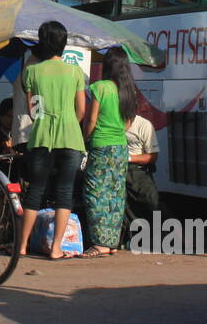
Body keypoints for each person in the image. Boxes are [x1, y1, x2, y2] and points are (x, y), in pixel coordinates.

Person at [17, 21, 86, 260]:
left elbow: (33, 111)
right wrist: (68, 122)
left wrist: (47, 120)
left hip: (42, 136)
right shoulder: (75, 71)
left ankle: (22, 246)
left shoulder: (32, 72)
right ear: (64, 43)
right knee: (65, 192)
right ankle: (56, 248)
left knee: (35, 190)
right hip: (70, 136)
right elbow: (81, 111)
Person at [80, 47, 138, 258]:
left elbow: (91, 119)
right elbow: (129, 122)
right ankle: (113, 242)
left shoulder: (100, 87)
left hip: (101, 145)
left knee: (95, 193)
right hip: (120, 148)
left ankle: (100, 243)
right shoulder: (128, 90)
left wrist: (86, 137)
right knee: (116, 193)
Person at [123, 112, 160, 237]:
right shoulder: (111, 122)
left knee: (153, 202)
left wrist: (128, 158)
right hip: (118, 169)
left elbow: (152, 156)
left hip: (137, 169)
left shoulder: (144, 125)